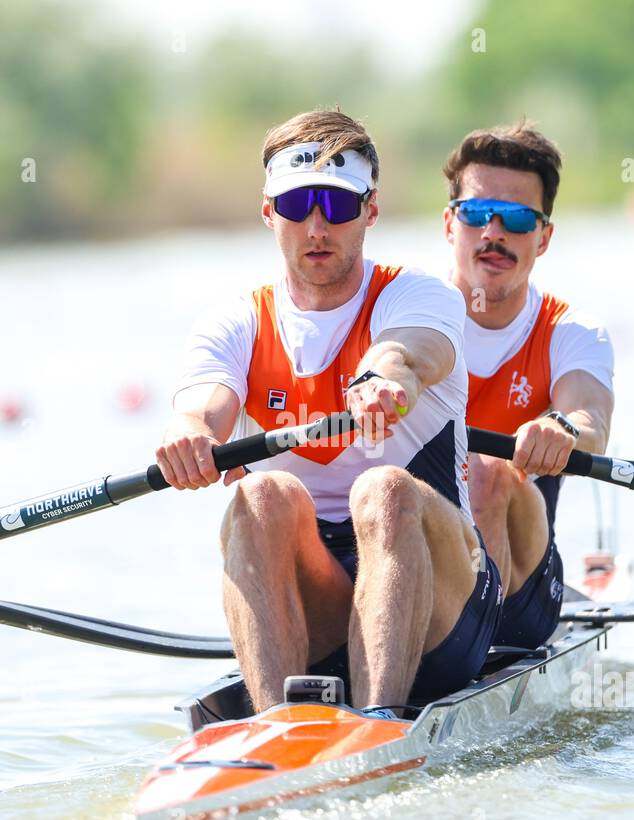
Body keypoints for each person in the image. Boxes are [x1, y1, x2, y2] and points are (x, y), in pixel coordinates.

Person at [156, 109, 502, 718]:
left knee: (386, 489)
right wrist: (187, 435)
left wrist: (383, 380)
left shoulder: (420, 296)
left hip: (445, 611)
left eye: (338, 207)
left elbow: (407, 354)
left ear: (370, 211)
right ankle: (275, 730)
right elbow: (203, 407)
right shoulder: (234, 323)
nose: (317, 227)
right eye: (296, 207)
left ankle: (379, 728)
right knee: (260, 496)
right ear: (269, 213)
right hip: (316, 604)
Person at [442, 122, 615, 649]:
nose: (494, 232)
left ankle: (475, 646)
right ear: (450, 225)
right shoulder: (404, 319)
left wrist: (560, 425)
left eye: (517, 218)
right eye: (476, 214)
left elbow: (590, 421)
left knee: (490, 473)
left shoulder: (572, 333)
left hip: (522, 589)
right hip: (421, 560)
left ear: (544, 236)